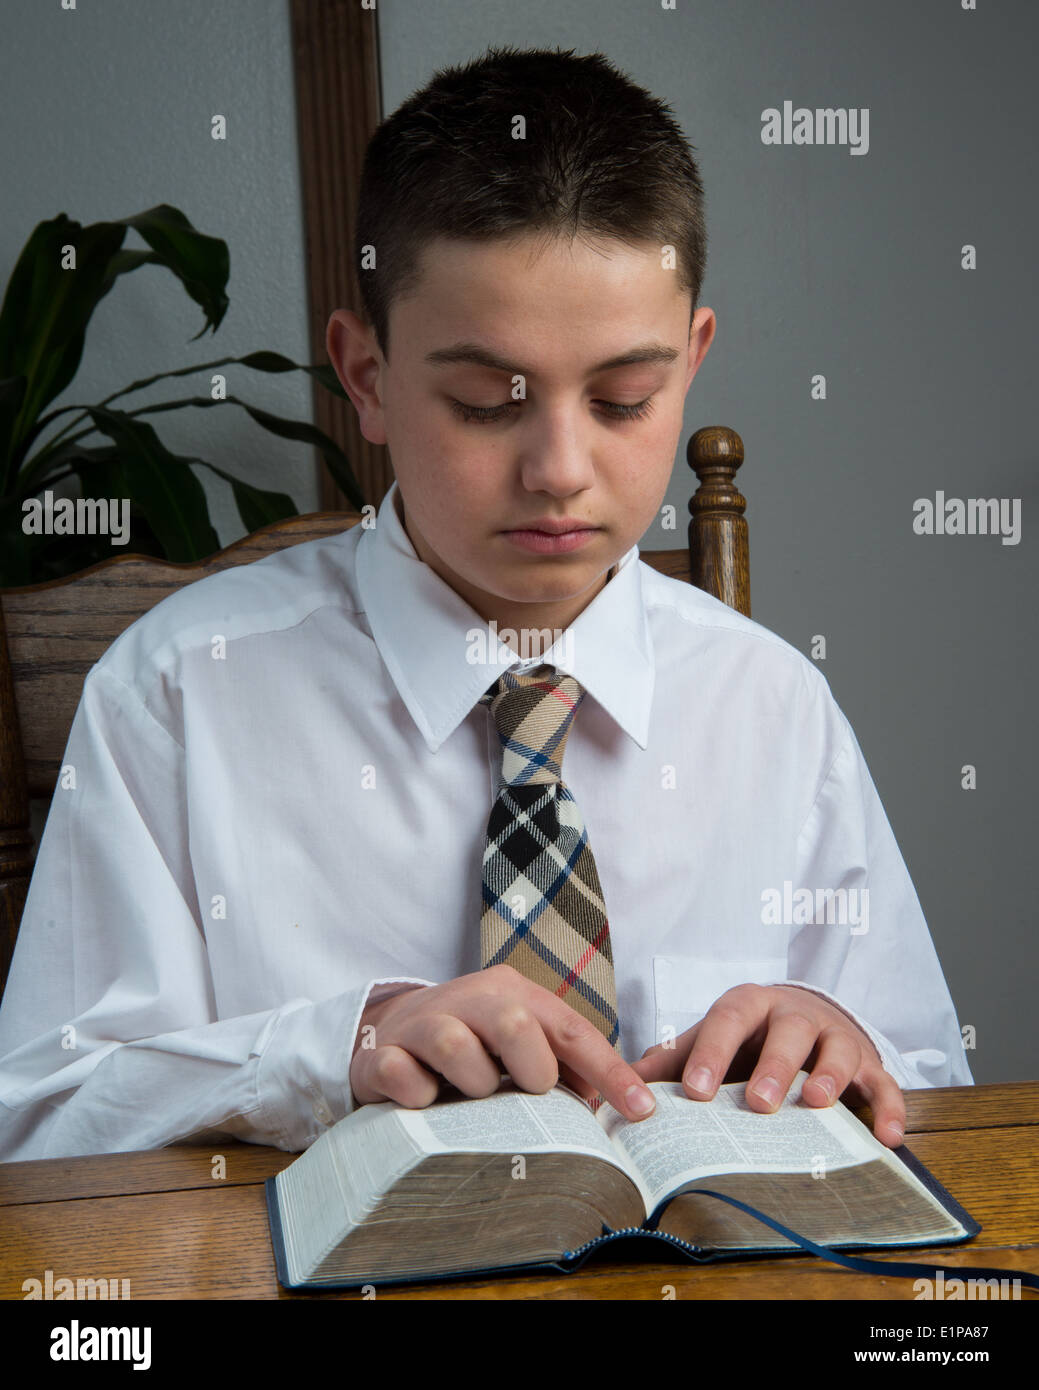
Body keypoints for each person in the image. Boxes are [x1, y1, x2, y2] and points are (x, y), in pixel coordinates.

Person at [0, 46, 971, 1163]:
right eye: (482, 401)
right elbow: (35, 1119)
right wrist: (334, 1050)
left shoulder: (776, 707)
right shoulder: (176, 694)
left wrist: (853, 1054)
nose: (559, 468)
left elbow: (938, 1091)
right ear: (363, 375)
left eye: (623, 399)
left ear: (690, 361)